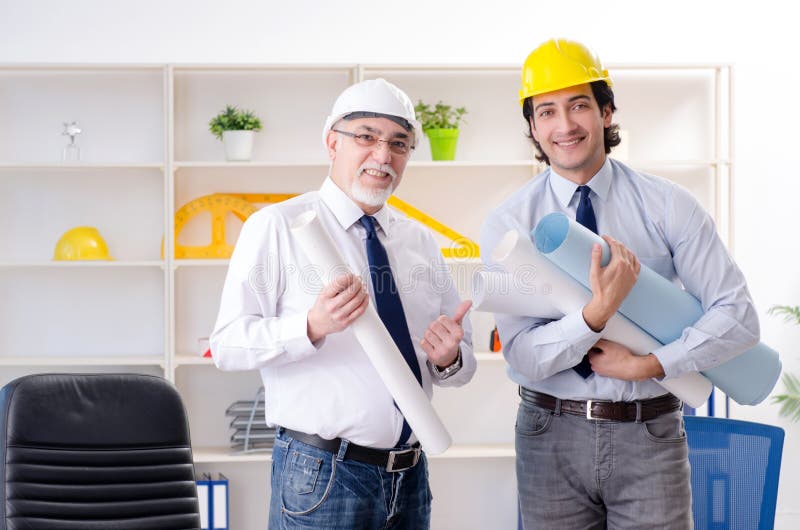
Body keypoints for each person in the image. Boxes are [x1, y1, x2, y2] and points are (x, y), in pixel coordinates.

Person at [480, 38, 759, 529]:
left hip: (649, 430)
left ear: (606, 112)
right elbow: (522, 356)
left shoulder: (668, 205)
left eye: (578, 105)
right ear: (533, 127)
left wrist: (650, 364)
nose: (564, 125)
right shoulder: (510, 224)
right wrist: (595, 316)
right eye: (547, 112)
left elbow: (737, 316)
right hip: (549, 435)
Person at [210, 78, 475, 530]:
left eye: (399, 143)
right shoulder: (278, 226)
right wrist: (311, 325)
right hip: (323, 476)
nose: (383, 155)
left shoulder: (419, 242)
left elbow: (460, 367)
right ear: (332, 142)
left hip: (410, 476)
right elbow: (227, 345)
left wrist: (449, 357)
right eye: (366, 137)